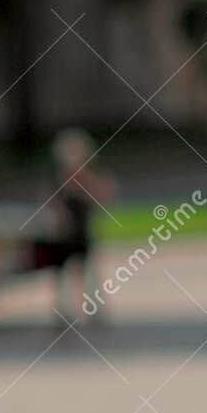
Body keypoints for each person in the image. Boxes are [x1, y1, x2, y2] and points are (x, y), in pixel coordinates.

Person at [46, 128, 116, 324]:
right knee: (64, 276)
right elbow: (51, 205)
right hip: (62, 236)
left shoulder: (90, 177)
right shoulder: (57, 179)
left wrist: (84, 184)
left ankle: (94, 309)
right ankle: (62, 311)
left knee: (89, 274)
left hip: (83, 233)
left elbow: (104, 195)